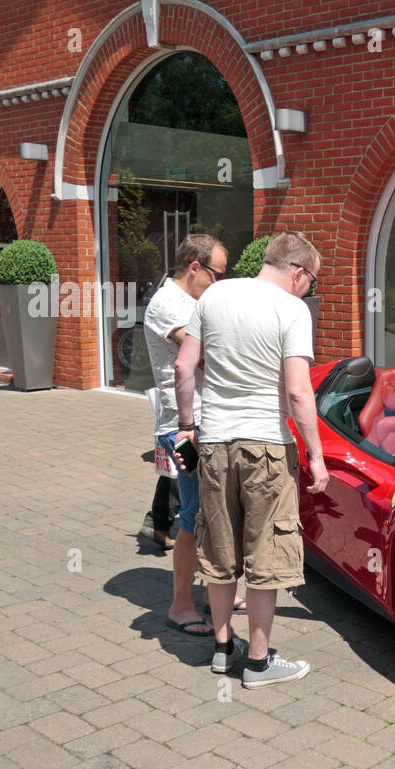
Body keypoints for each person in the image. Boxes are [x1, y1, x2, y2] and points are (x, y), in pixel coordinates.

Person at [174, 231, 330, 688]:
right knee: (267, 552)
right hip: (266, 444)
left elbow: (184, 367)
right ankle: (259, 663)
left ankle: (223, 651)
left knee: (219, 550)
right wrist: (316, 457)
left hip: (216, 442)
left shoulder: (216, 295)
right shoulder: (292, 309)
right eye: (313, 281)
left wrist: (188, 425)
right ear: (299, 273)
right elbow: (299, 392)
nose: (310, 289)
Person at [144, 234, 229, 634]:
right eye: (217, 274)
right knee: (193, 516)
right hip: (183, 427)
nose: (220, 283)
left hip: (205, 421)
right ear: (194, 266)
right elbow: (200, 355)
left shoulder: (195, 300)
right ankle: (180, 606)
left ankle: (216, 592)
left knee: (212, 515)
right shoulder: (167, 304)